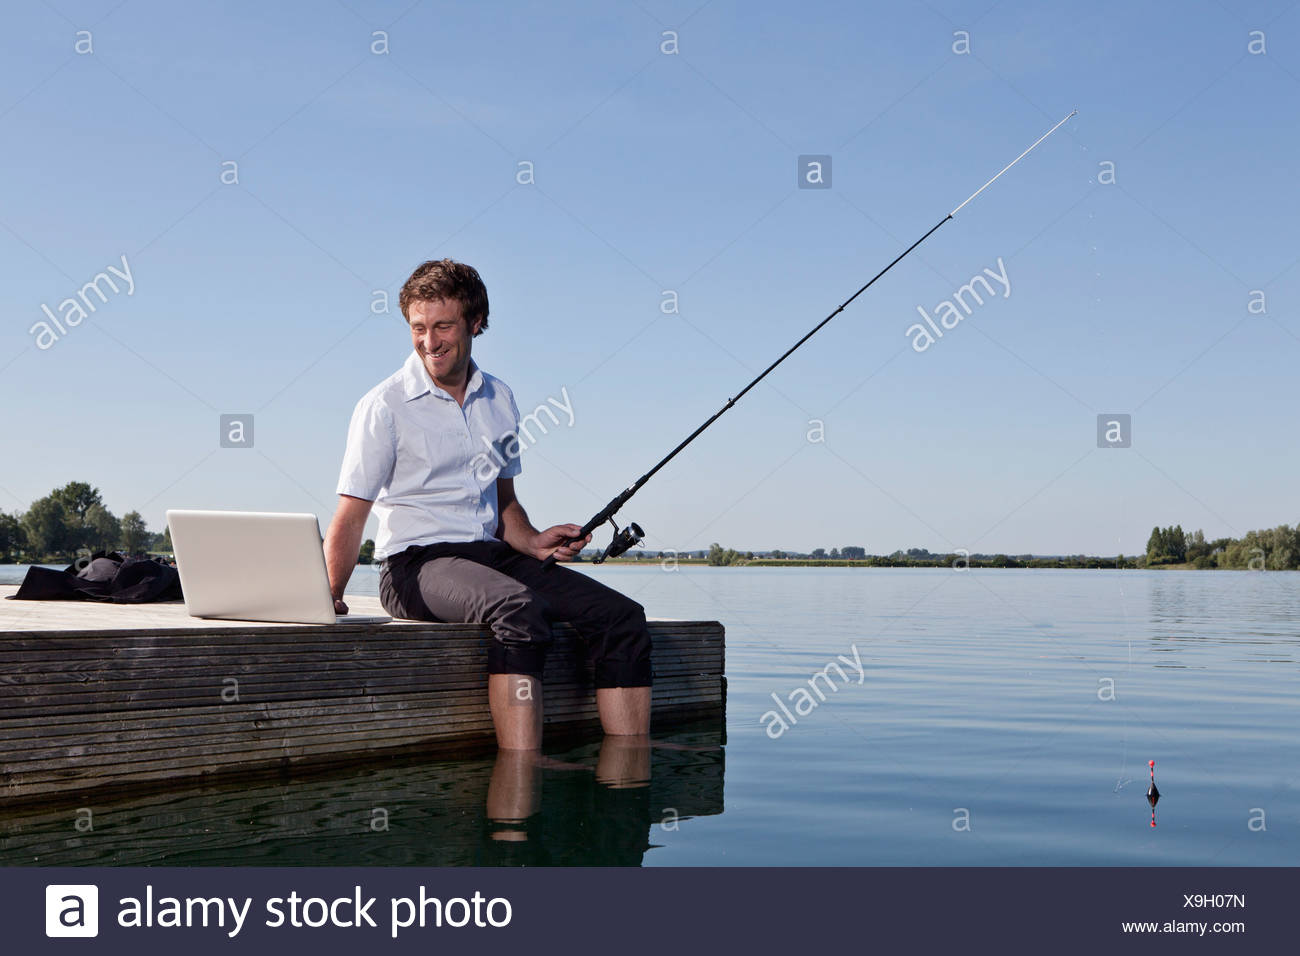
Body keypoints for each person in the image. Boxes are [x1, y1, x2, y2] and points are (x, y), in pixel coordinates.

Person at [323, 258, 652, 750]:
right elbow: (352, 515)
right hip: (414, 567)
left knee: (622, 617)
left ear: (475, 323)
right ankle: (521, 775)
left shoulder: (500, 398)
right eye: (418, 328)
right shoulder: (383, 405)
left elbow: (505, 505)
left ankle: (629, 777)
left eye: (443, 326)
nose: (429, 342)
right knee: (519, 609)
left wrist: (535, 541)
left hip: (490, 557)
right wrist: (328, 593)